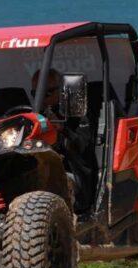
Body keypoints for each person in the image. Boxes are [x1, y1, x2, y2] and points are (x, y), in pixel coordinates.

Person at [32, 69, 95, 212]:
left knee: (49, 188)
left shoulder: (77, 114)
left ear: (62, 90)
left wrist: (63, 129)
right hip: (40, 176)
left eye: (47, 93)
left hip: (73, 175)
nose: (41, 99)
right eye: (36, 94)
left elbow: (84, 149)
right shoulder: (35, 116)